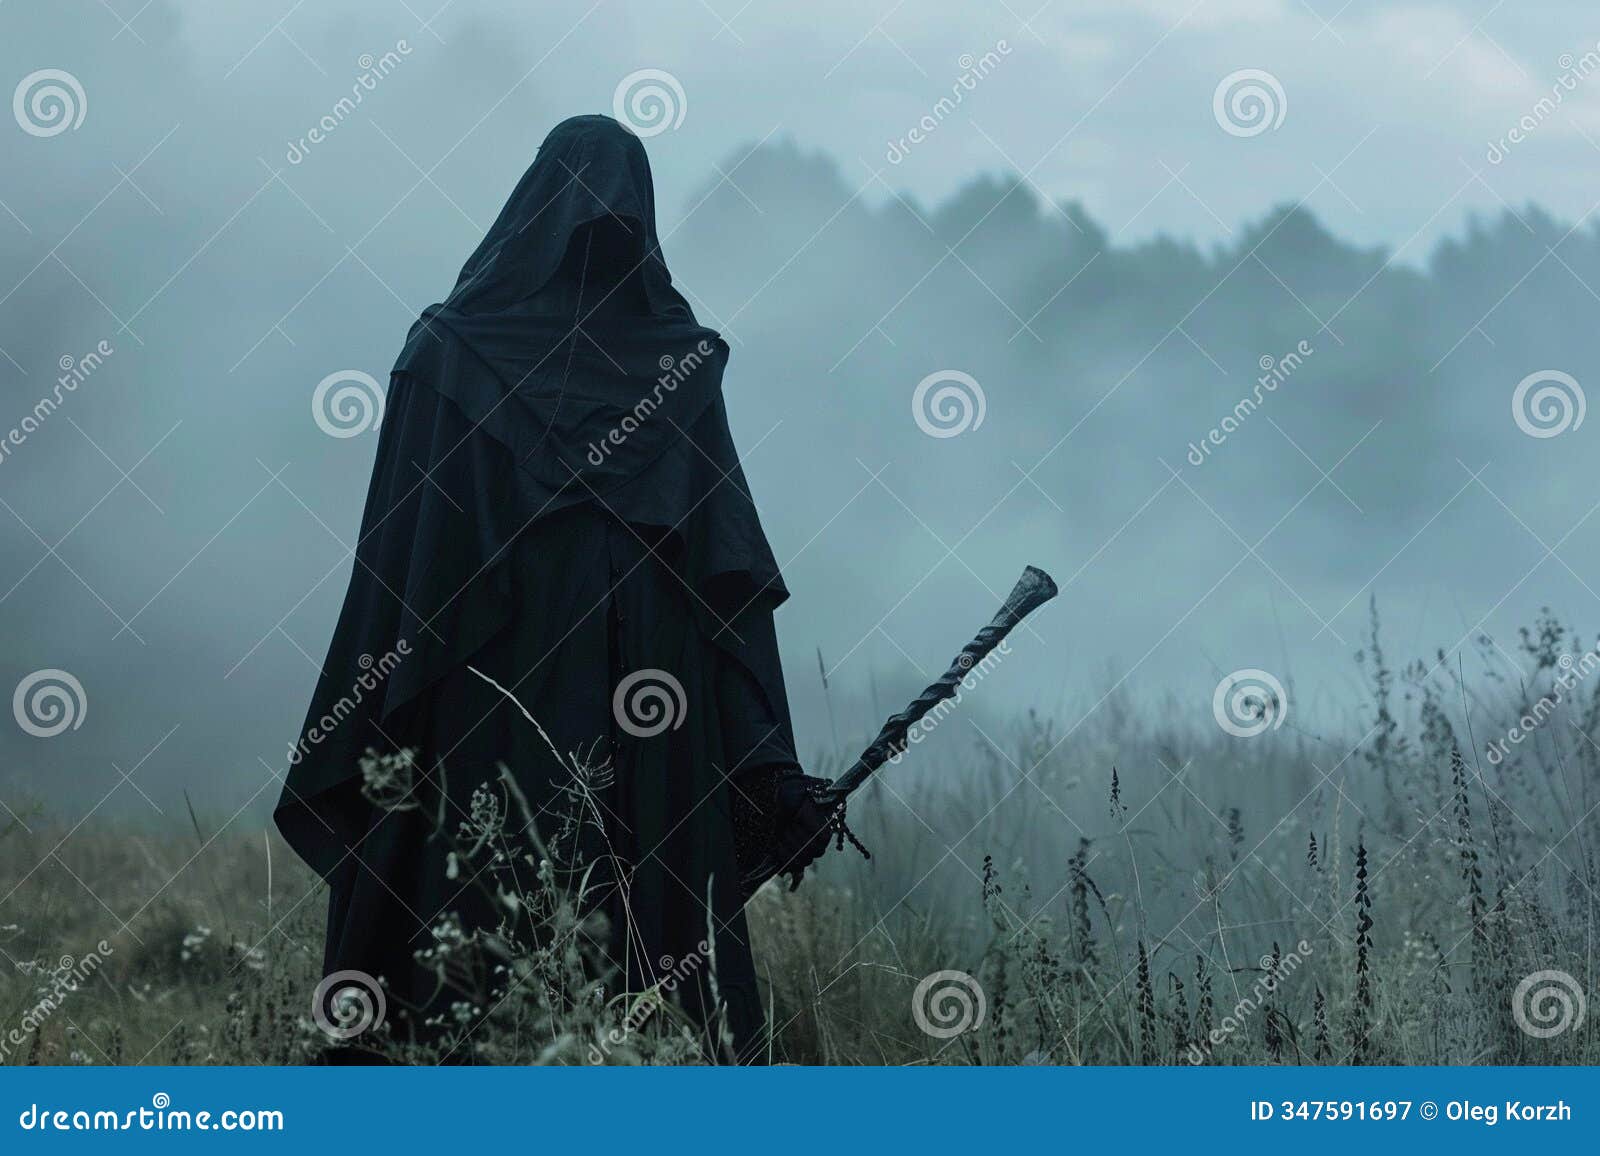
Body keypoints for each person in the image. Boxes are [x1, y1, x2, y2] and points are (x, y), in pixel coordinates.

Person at [274, 114, 834, 1061]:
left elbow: (395, 577)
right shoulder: (676, 368)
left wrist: (371, 715)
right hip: (647, 713)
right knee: (642, 946)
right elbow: (731, 590)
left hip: (484, 703)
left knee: (472, 915)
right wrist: (761, 759)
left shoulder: (448, 355)